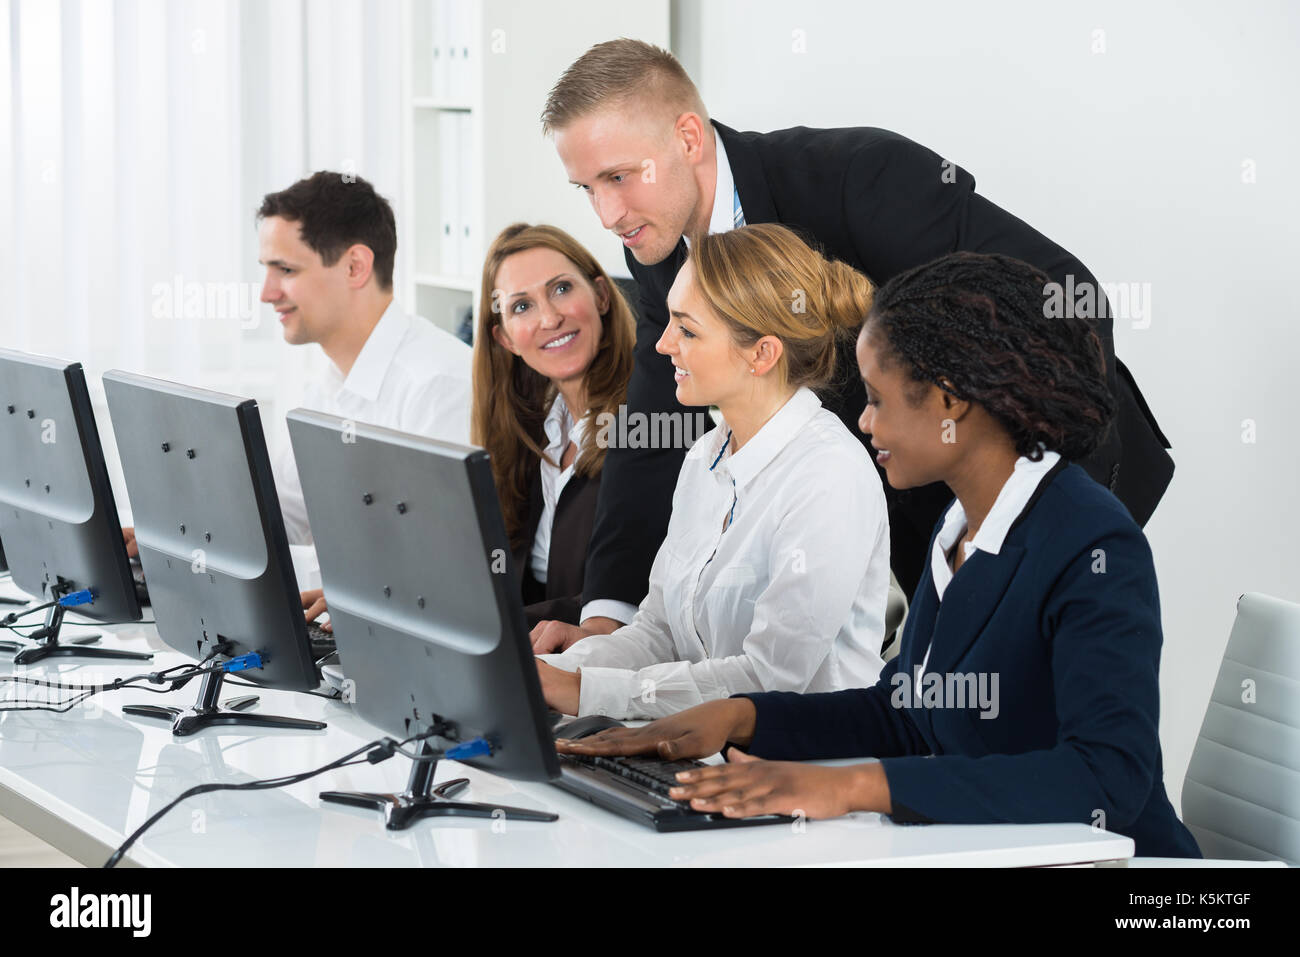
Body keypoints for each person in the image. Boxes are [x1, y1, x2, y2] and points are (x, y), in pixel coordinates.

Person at [557, 252, 1201, 859]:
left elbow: (1105, 778)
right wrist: (738, 717)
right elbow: (904, 713)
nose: (864, 422)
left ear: (951, 402)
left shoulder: (1092, 543)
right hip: (997, 854)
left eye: (878, 400)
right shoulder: (960, 525)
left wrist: (854, 787)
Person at [537, 38, 1174, 650]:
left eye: (619, 177)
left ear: (687, 137)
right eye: (587, 187)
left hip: (1053, 480)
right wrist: (607, 617)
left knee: (1049, 728)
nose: (606, 214)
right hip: (913, 521)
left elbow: (1067, 298)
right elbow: (654, 425)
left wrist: (996, 517)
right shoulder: (659, 244)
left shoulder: (856, 176)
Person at [535, 224, 890, 720]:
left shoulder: (828, 476)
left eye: (687, 329)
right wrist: (555, 672)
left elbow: (767, 679)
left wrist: (588, 693)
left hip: (796, 773)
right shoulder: (705, 456)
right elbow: (658, 631)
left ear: (761, 354)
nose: (662, 345)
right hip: (696, 749)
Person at [123, 172, 473, 606]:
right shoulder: (327, 385)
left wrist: (220, 555)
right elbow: (281, 515)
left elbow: (426, 566)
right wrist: (177, 535)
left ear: (354, 267)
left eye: (285, 270)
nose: (267, 294)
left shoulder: (439, 385)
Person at [472, 223, 635, 627]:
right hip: (531, 665)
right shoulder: (532, 433)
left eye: (562, 288)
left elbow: (635, 599)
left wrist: (474, 621)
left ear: (600, 295)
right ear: (506, 339)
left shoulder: (657, 423)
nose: (550, 317)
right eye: (521, 307)